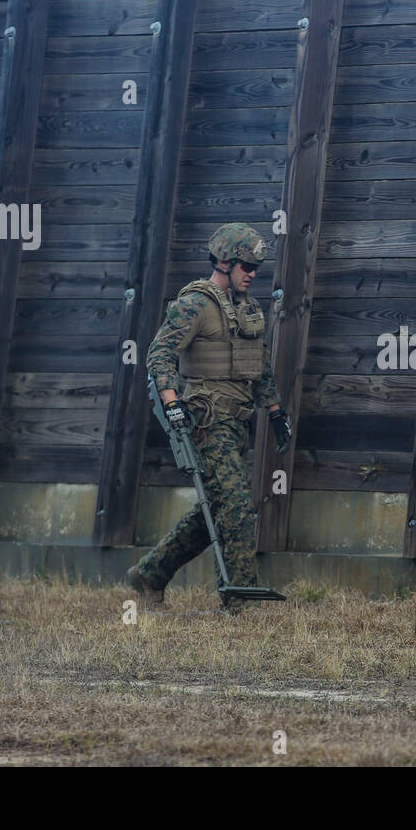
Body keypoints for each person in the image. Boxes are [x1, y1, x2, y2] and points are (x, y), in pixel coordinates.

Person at [125, 223, 292, 610]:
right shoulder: (196, 304)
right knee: (234, 507)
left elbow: (258, 366)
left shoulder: (247, 308)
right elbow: (158, 355)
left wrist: (276, 411)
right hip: (206, 422)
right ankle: (241, 601)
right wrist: (172, 403)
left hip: (238, 422)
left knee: (218, 508)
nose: (252, 274)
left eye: (256, 268)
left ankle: (150, 574)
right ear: (224, 261)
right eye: (245, 266)